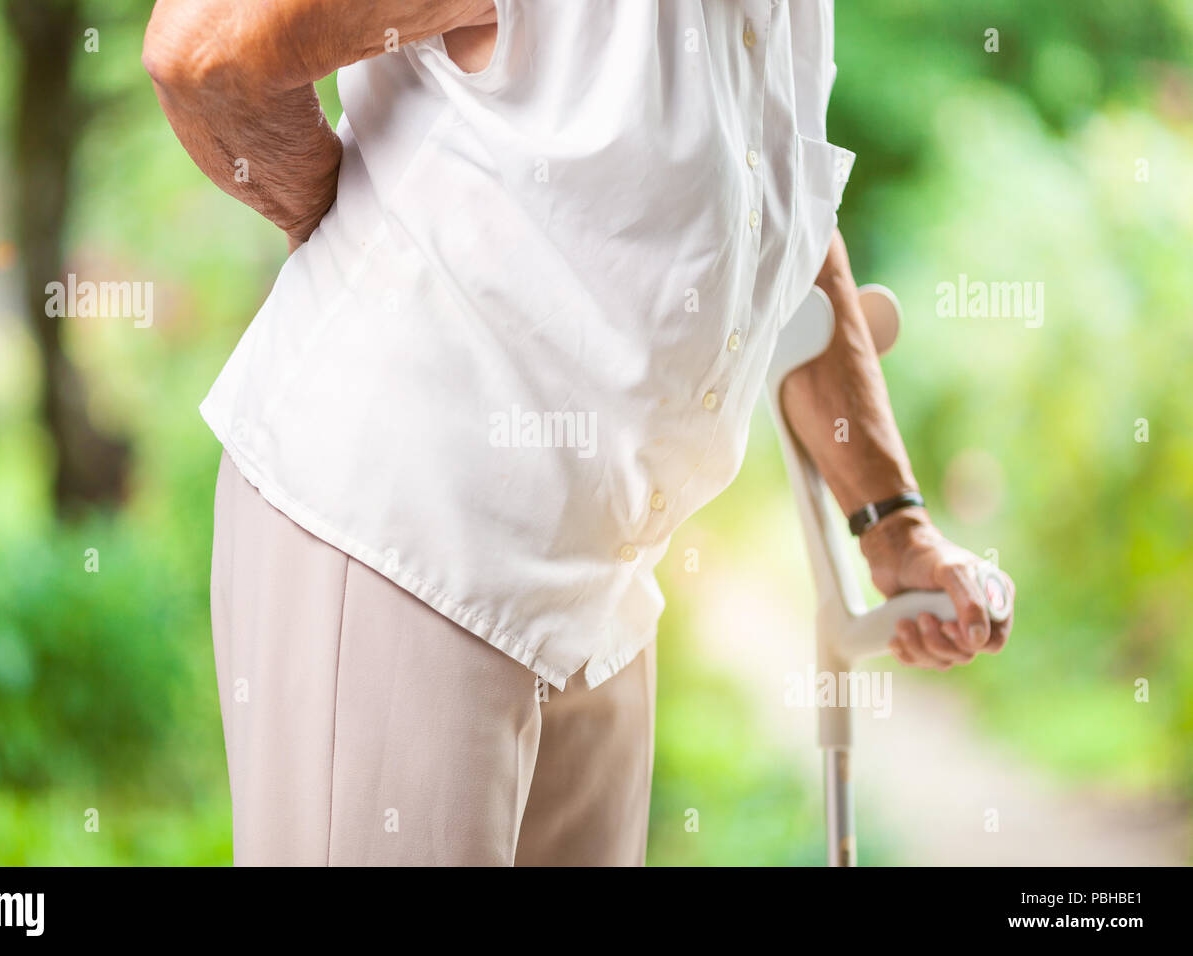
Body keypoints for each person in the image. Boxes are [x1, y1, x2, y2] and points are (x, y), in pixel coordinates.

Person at [142, 0, 1016, 866]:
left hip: (603, 599)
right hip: (403, 531)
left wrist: (895, 524)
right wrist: (344, 228)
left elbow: (786, 229)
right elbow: (205, 51)